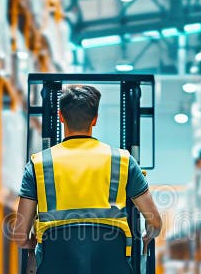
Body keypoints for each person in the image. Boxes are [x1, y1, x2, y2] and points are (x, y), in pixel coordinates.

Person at [12, 84, 162, 253]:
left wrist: (38, 246)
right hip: (112, 270)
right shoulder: (123, 161)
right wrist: (147, 236)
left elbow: (20, 235)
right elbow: (155, 223)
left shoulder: (38, 164)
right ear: (95, 119)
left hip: (56, 270)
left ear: (61, 116)